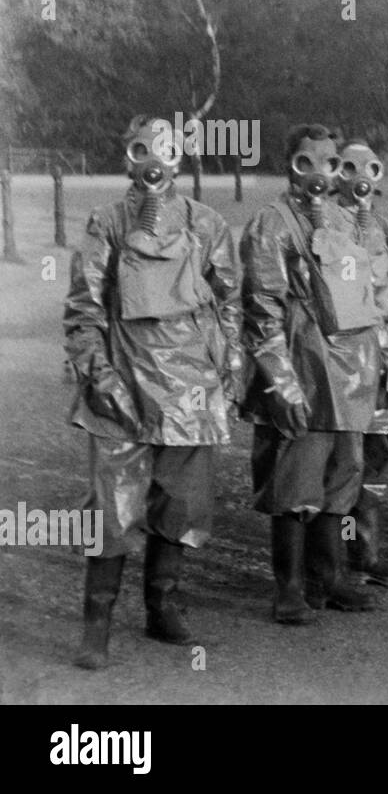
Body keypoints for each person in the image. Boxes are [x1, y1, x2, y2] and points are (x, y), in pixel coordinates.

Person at [65, 115, 243, 669]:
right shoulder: (109, 224)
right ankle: (97, 625)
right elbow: (83, 310)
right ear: (127, 157)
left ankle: (162, 605)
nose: (154, 162)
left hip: (191, 387)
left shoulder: (207, 224)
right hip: (124, 387)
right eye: (142, 149)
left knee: (181, 504)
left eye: (166, 151)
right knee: (112, 511)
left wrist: (229, 365)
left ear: (182, 159)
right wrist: (100, 376)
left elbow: (229, 302)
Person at [242, 124, 384, 624]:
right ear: (290, 164)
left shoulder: (347, 223)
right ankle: (289, 588)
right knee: (295, 485)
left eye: (332, 163)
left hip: (349, 373)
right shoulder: (271, 223)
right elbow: (261, 311)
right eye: (309, 161)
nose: (321, 174)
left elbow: (368, 298)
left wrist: (374, 371)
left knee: (342, 480)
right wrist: (281, 383)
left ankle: (330, 577)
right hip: (303, 367)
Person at [335, 141, 388, 586]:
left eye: (369, 169)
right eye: (349, 167)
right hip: (346, 363)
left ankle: (365, 555)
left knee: (378, 464)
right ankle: (335, 563)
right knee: (344, 462)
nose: (359, 178)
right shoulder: (323, 228)